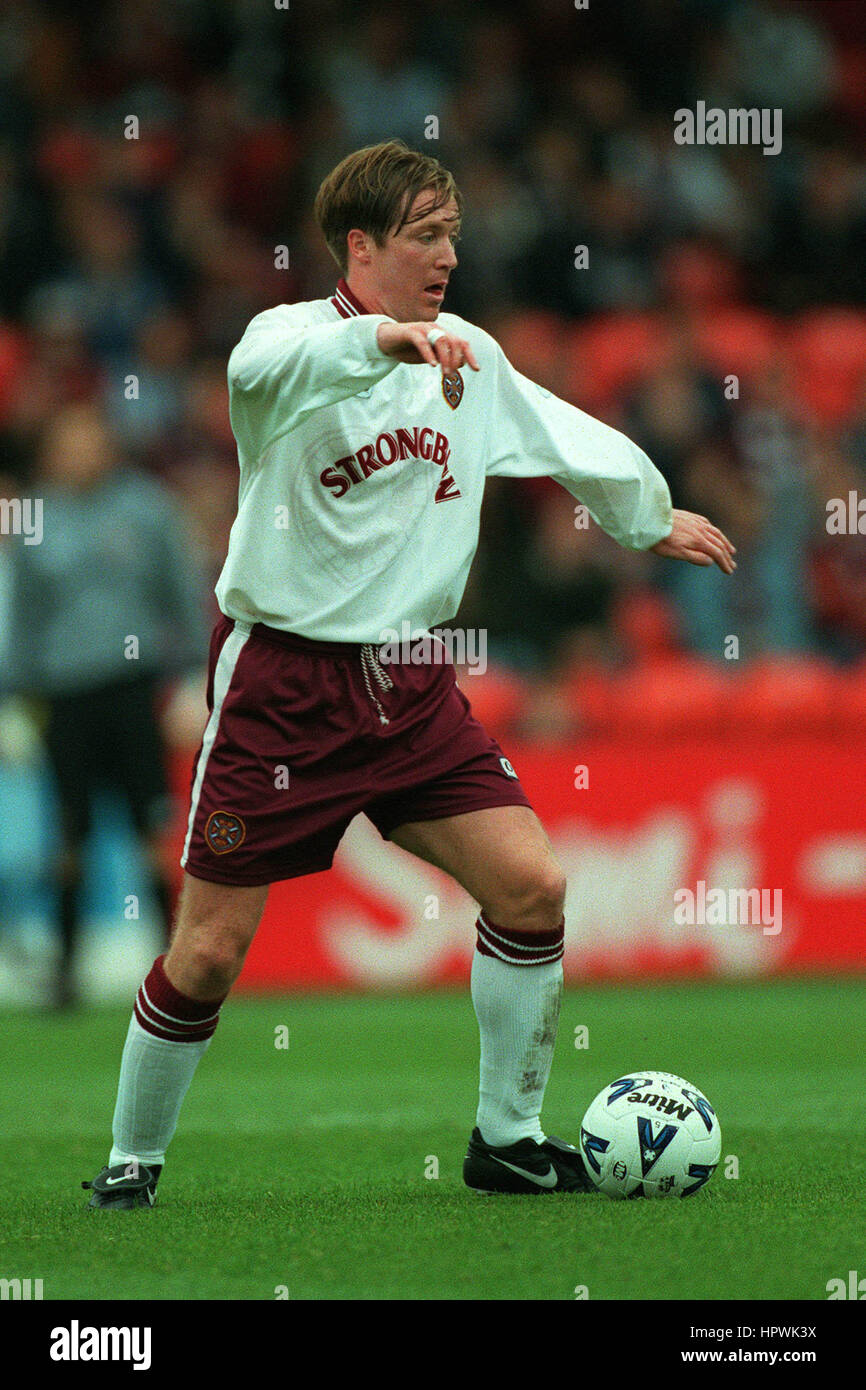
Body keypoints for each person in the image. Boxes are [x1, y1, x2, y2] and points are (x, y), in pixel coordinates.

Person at [82, 139, 735, 1209]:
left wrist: (646, 516)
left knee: (531, 887)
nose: (445, 256)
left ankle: (507, 1139)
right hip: (281, 688)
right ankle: (131, 1160)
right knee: (207, 951)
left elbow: (554, 430)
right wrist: (379, 340)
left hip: (410, 682)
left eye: (452, 236)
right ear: (360, 244)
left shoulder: (467, 354)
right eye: (424, 236)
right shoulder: (287, 340)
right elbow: (256, 377)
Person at [3, 403, 210, 1008]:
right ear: (50, 452)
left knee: (153, 823)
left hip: (132, 689)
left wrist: (198, 674)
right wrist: (12, 696)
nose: (79, 454)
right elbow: (24, 615)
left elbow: (182, 592)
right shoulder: (35, 515)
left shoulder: (146, 507)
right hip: (61, 695)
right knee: (67, 833)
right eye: (67, 443)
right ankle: (66, 973)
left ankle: (180, 970)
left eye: (88, 441)